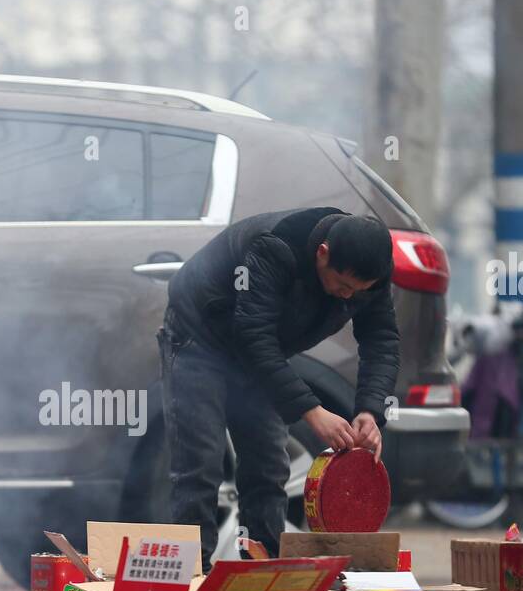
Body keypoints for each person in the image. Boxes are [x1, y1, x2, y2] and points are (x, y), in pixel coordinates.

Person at [158, 207, 399, 565]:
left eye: (358, 292)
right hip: (200, 338)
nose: (348, 298)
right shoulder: (276, 246)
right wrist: (312, 412)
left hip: (262, 349)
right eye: (343, 286)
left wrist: (369, 409)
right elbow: (253, 336)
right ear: (322, 253)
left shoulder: (370, 274)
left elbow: (380, 339)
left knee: (268, 468)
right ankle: (193, 580)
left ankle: (263, 574)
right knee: (201, 466)